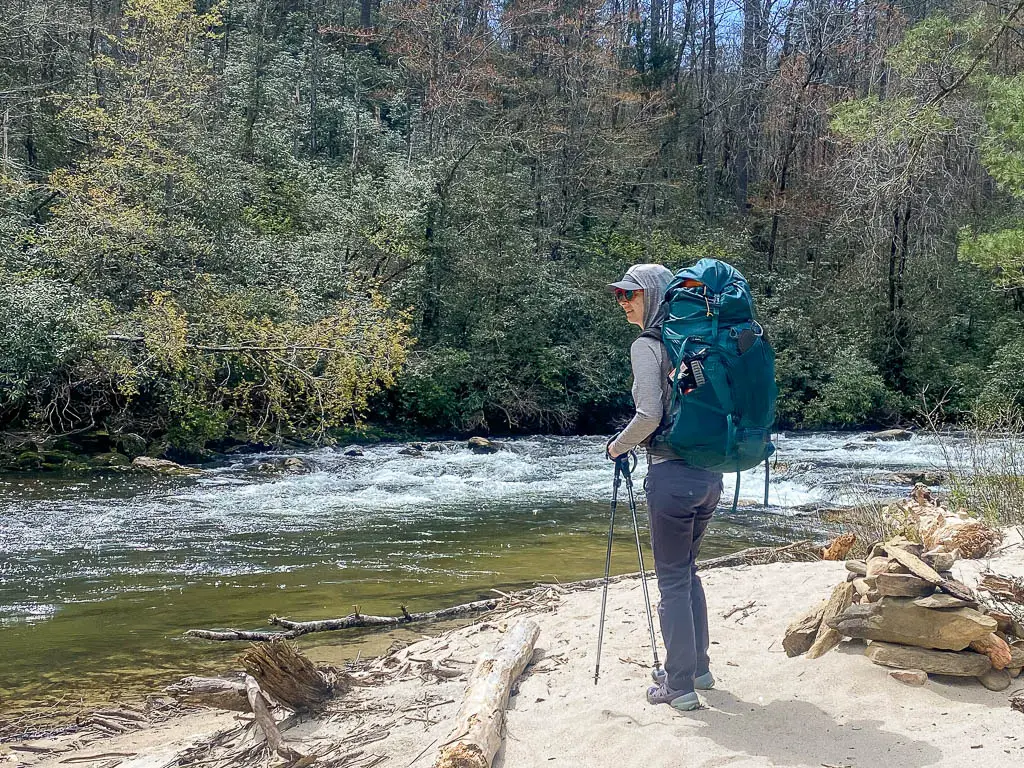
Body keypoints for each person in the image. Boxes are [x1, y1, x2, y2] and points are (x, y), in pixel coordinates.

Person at [606, 263, 724, 712]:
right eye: (619, 295)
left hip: (672, 478)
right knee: (688, 571)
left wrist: (617, 447)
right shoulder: (696, 343)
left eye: (630, 295)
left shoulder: (647, 346)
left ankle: (679, 686)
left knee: (673, 578)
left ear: (652, 295)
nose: (623, 302)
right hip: (709, 476)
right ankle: (697, 668)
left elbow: (650, 415)